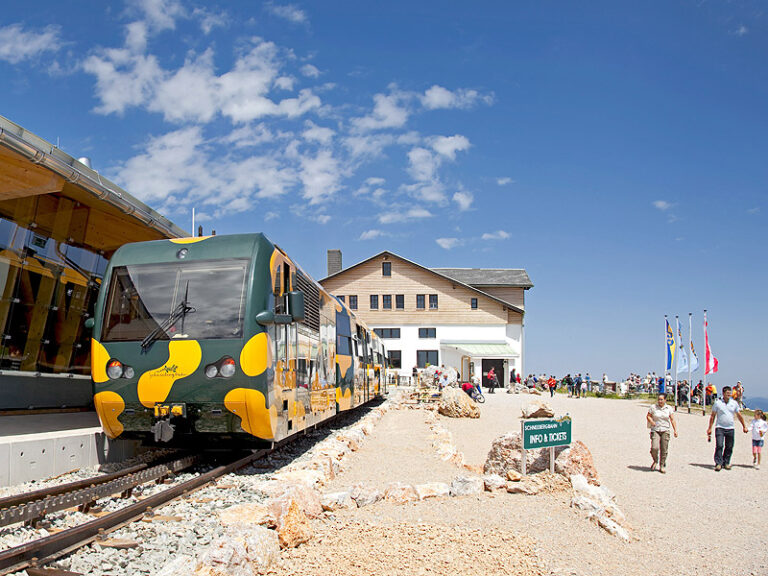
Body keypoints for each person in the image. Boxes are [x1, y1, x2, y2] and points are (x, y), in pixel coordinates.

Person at [706, 386, 749, 471]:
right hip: (720, 427)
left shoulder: (734, 403)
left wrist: (744, 426)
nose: (729, 395)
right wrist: (709, 428)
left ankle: (726, 462)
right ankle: (718, 463)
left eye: (730, 393)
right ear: (723, 393)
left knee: (729, 446)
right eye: (727, 393)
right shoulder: (718, 403)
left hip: (730, 428)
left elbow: (739, 415)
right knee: (719, 445)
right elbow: (713, 416)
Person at [646, 393, 678, 473]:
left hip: (665, 429)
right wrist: (651, 421)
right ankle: (655, 460)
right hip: (655, 429)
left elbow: (672, 419)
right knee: (654, 447)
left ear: (665, 400)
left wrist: (675, 430)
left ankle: (662, 464)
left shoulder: (669, 408)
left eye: (661, 399)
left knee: (664, 449)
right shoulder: (653, 407)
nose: (660, 401)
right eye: (659, 399)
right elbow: (648, 416)